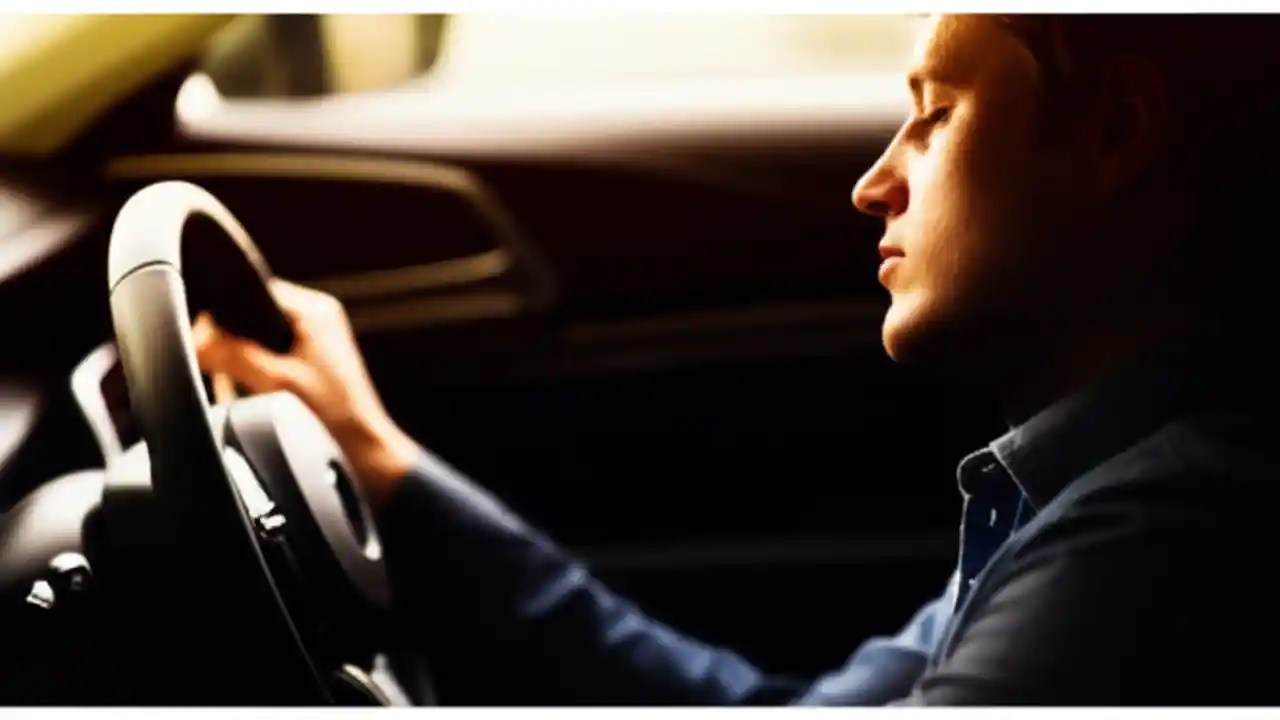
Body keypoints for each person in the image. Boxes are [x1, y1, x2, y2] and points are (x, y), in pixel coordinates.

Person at [193, 14, 1280, 705]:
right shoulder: (1074, 490)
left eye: (934, 116)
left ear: (1117, 134)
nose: (872, 183)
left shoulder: (1161, 541)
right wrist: (384, 466)